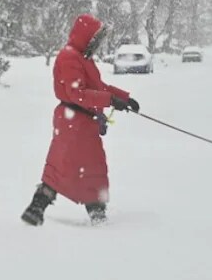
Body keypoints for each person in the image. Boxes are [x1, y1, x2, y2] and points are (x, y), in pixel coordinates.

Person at [20, 14, 140, 227]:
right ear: (86, 36)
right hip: (72, 121)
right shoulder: (69, 57)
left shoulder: (82, 58)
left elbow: (98, 87)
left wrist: (123, 98)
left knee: (86, 167)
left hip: (81, 122)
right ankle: (45, 209)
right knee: (66, 166)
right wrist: (110, 100)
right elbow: (77, 94)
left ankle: (44, 209)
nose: (98, 43)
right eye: (96, 38)